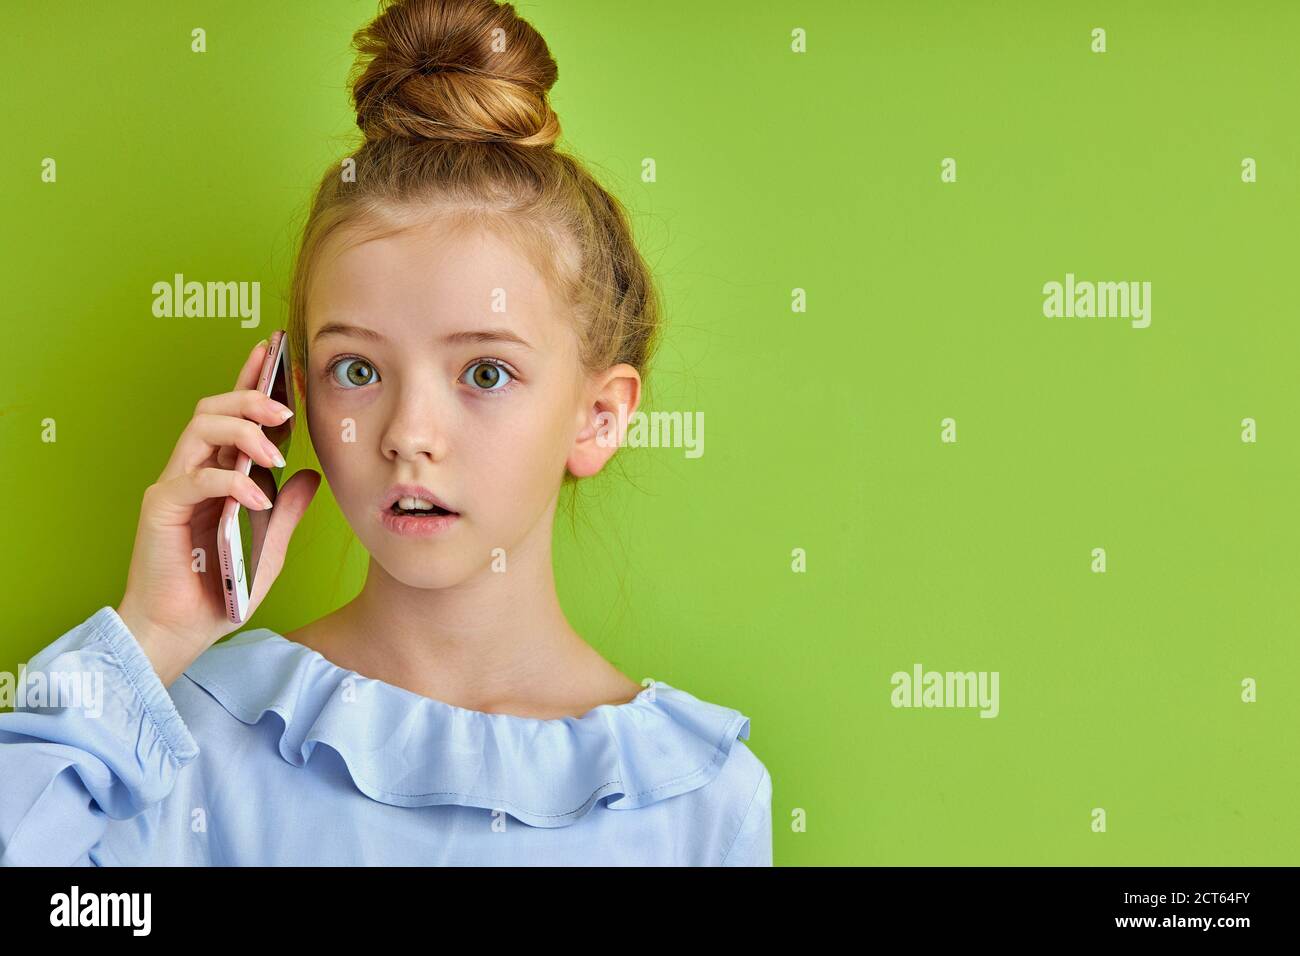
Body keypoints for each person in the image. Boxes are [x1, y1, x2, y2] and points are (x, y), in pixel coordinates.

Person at [0, 0, 771, 866]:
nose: (408, 435)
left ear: (599, 417)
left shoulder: (697, 800)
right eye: (357, 371)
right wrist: (152, 635)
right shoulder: (189, 735)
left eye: (485, 373)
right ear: (287, 400)